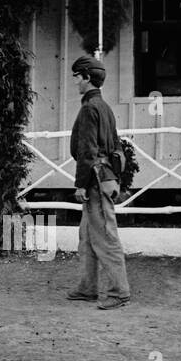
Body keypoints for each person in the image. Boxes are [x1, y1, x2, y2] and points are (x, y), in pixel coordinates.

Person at [66, 55, 131, 309]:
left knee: (105, 236)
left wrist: (81, 184)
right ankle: (88, 287)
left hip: (95, 178)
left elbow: (87, 151)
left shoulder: (89, 108)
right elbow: (116, 145)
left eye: (77, 78)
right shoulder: (104, 107)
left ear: (87, 78)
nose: (76, 83)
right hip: (105, 175)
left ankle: (119, 292)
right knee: (86, 236)